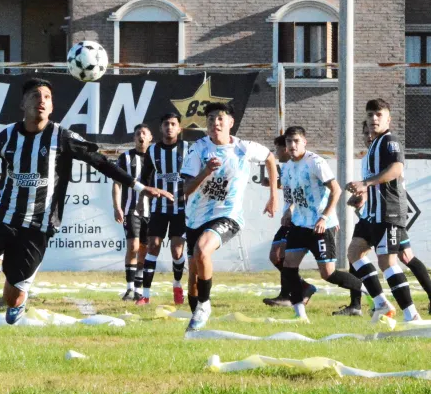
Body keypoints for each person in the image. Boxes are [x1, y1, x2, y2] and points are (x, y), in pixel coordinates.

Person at [0, 78, 173, 346]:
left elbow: (100, 162)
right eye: (35, 95)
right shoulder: (7, 136)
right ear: (22, 103)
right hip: (1, 218)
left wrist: (138, 185)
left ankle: (18, 301)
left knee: (12, 294)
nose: (42, 100)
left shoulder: (61, 137)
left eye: (47, 97)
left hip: (37, 228)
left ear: (52, 107)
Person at [181, 102, 278, 332]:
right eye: (211, 118)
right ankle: (195, 322)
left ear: (230, 123)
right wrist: (206, 171)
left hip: (228, 215)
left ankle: (205, 305)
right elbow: (185, 189)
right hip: (196, 217)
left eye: (220, 118)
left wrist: (273, 195)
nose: (215, 122)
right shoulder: (198, 150)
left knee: (203, 250)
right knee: (193, 274)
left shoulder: (243, 148)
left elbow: (270, 158)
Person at [338, 119, 431, 316]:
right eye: (364, 133)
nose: (368, 136)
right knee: (355, 252)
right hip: (371, 214)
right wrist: (361, 196)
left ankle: (411, 313)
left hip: (388, 213)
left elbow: (394, 174)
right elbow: (371, 186)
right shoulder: (367, 157)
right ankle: (377, 302)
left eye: (370, 132)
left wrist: (367, 185)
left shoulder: (387, 147)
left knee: (399, 259)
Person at [277, 126, 365, 321]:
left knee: (328, 274)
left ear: (304, 142)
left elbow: (336, 190)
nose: (292, 146)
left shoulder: (316, 162)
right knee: (289, 265)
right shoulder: (287, 167)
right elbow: (291, 197)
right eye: (289, 142)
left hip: (321, 226)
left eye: (296, 141)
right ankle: (300, 314)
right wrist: (287, 212)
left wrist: (325, 217)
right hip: (300, 225)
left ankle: (370, 292)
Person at [135, 112, 190, 306]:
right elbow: (144, 180)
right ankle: (145, 295)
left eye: (173, 124)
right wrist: (142, 200)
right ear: (161, 128)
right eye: (166, 124)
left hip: (181, 208)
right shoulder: (152, 151)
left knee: (177, 251)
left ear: (179, 128)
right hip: (158, 208)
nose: (169, 127)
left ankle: (177, 284)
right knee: (153, 246)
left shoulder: (188, 148)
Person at [262, 135, 315, 307]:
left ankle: (287, 294)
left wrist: (291, 210)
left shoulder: (302, 164)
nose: (275, 152)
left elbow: (301, 191)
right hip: (290, 218)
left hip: (298, 219)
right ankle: (302, 286)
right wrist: (273, 183)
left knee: (281, 255)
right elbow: (288, 187)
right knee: (275, 255)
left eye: (277, 148)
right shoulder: (287, 167)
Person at [111, 124, 152, 302]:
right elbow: (117, 183)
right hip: (131, 209)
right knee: (133, 247)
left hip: (152, 211)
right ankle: (129, 289)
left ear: (150, 137)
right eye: (137, 134)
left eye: (144, 133)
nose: (140, 136)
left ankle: (138, 288)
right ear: (134, 138)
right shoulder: (125, 157)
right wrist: (117, 206)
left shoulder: (156, 157)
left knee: (145, 249)